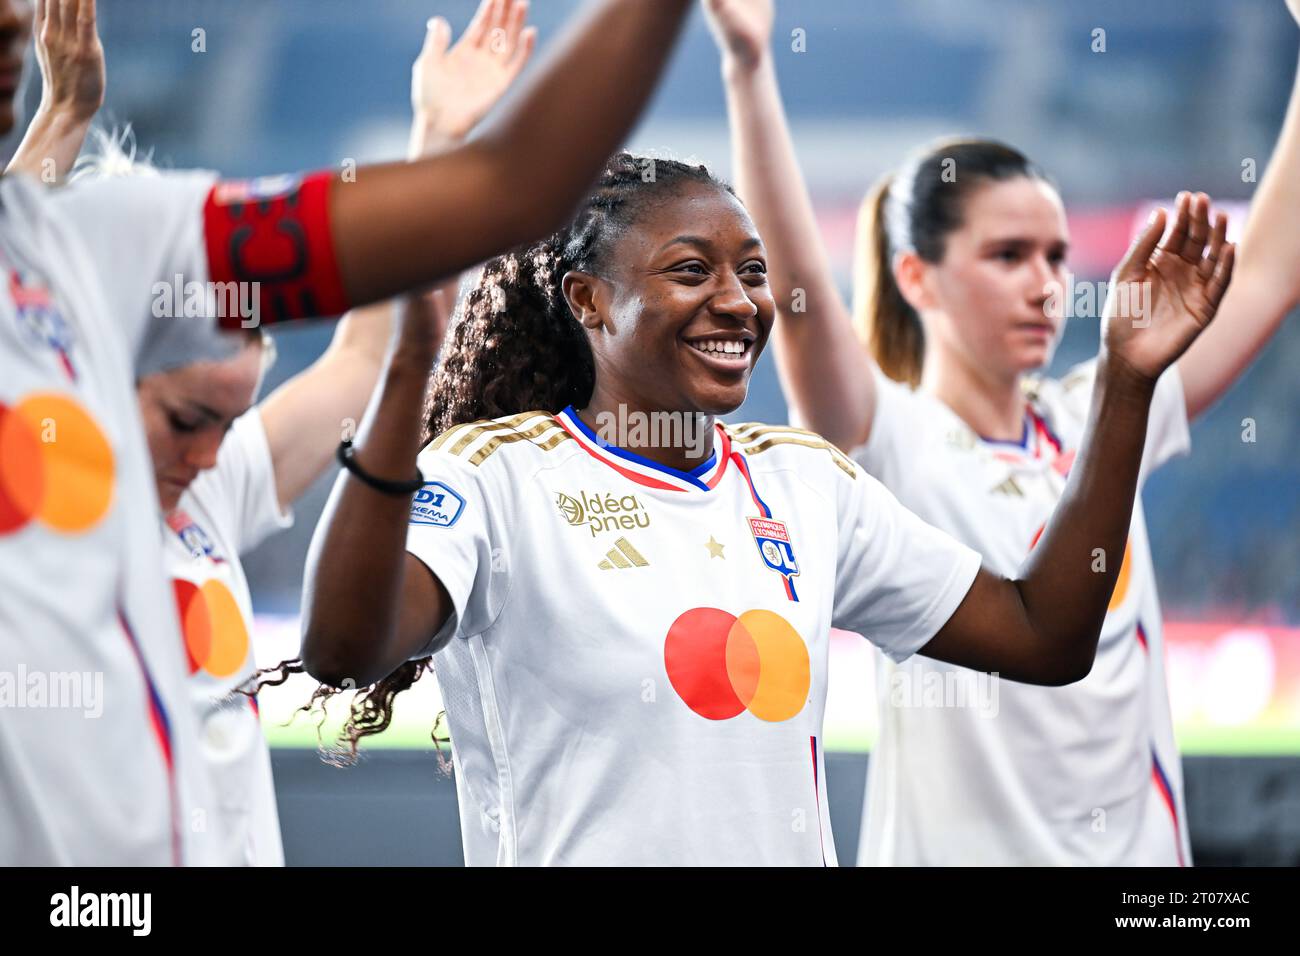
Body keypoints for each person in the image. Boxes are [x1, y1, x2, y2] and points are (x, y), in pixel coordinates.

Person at [290, 136, 1233, 864]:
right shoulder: (491, 474)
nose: (740, 301)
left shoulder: (804, 483)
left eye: (751, 271)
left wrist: (1124, 381)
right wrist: (409, 364)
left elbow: (1047, 633)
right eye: (691, 270)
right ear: (587, 299)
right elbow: (342, 646)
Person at [0, 0, 696, 864]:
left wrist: (435, 135)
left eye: (230, 418)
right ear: (84, 364)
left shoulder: (209, 488)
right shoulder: (44, 350)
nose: (213, 451)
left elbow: (369, 347)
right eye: (184, 421)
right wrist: (57, 123)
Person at [705, 0, 1300, 864]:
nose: (1044, 284)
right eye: (1008, 255)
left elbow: (1274, 270)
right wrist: (749, 67)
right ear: (917, 275)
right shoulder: (886, 440)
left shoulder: (1103, 412)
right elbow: (795, 303)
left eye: (1058, 257)